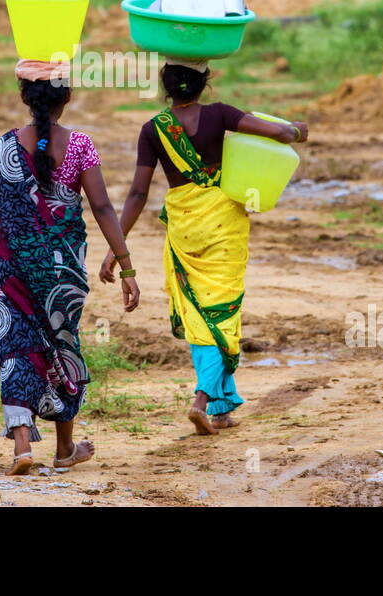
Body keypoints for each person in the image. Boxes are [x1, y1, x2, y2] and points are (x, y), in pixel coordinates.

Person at [102, 59, 307, 435]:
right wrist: (297, 130)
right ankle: (200, 399)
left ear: (165, 86)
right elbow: (278, 134)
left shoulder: (153, 130)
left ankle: (221, 407)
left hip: (185, 228)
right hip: (223, 225)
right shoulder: (221, 115)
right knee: (222, 312)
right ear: (204, 82)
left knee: (200, 313)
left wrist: (117, 247)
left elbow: (136, 194)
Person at [0, 59, 139, 475]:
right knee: (62, 349)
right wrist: (127, 268)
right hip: (62, 275)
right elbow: (102, 207)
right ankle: (63, 449)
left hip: (8, 272)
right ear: (67, 97)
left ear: (24, 97)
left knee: (16, 351)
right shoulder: (80, 146)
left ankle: (23, 447)